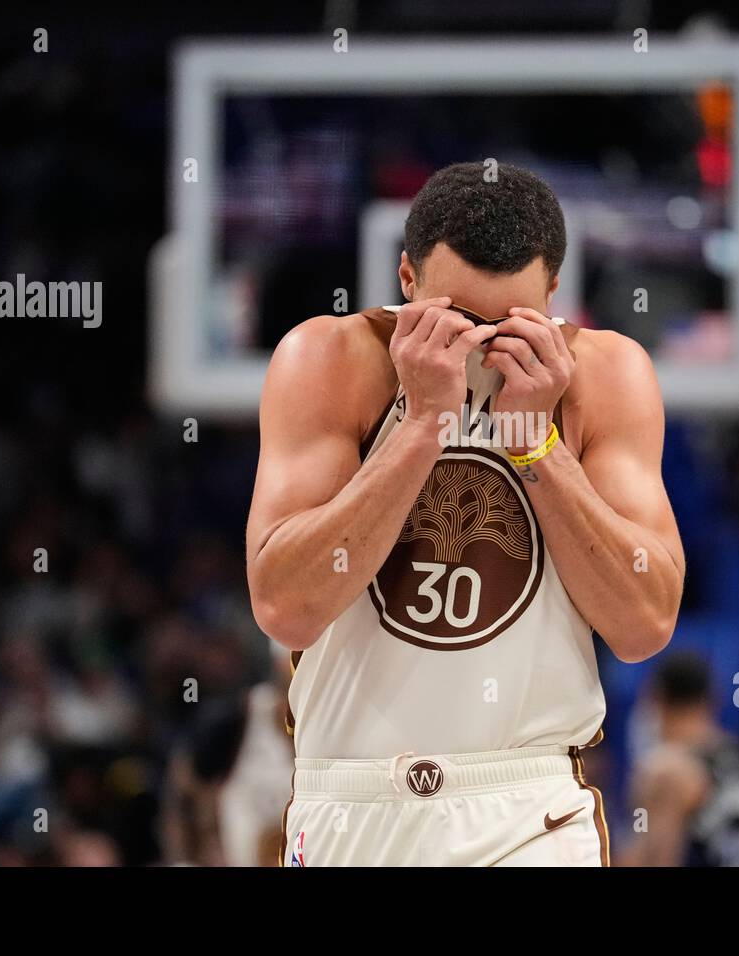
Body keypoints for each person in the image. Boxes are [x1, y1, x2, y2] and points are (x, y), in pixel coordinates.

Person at [245, 162, 684, 866]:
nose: (480, 346)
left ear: (552, 293)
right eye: (455, 319)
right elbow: (286, 607)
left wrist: (534, 444)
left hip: (525, 806)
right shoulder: (329, 357)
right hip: (352, 801)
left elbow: (644, 624)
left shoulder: (605, 374)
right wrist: (421, 425)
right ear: (406, 280)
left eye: (508, 323)